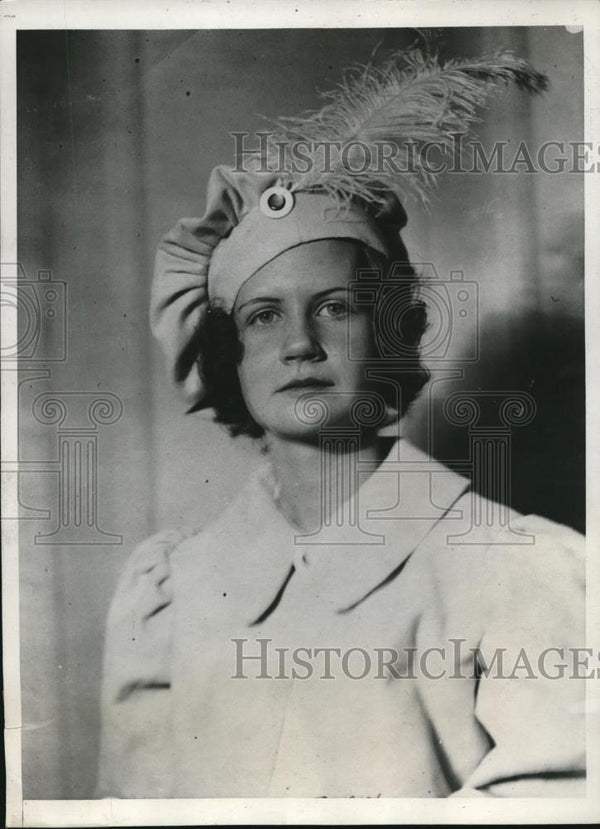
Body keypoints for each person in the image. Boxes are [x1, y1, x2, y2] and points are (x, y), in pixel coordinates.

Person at [96, 47, 585, 798]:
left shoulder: (515, 566)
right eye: (263, 316)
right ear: (229, 355)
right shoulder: (171, 591)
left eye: (336, 306)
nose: (299, 343)